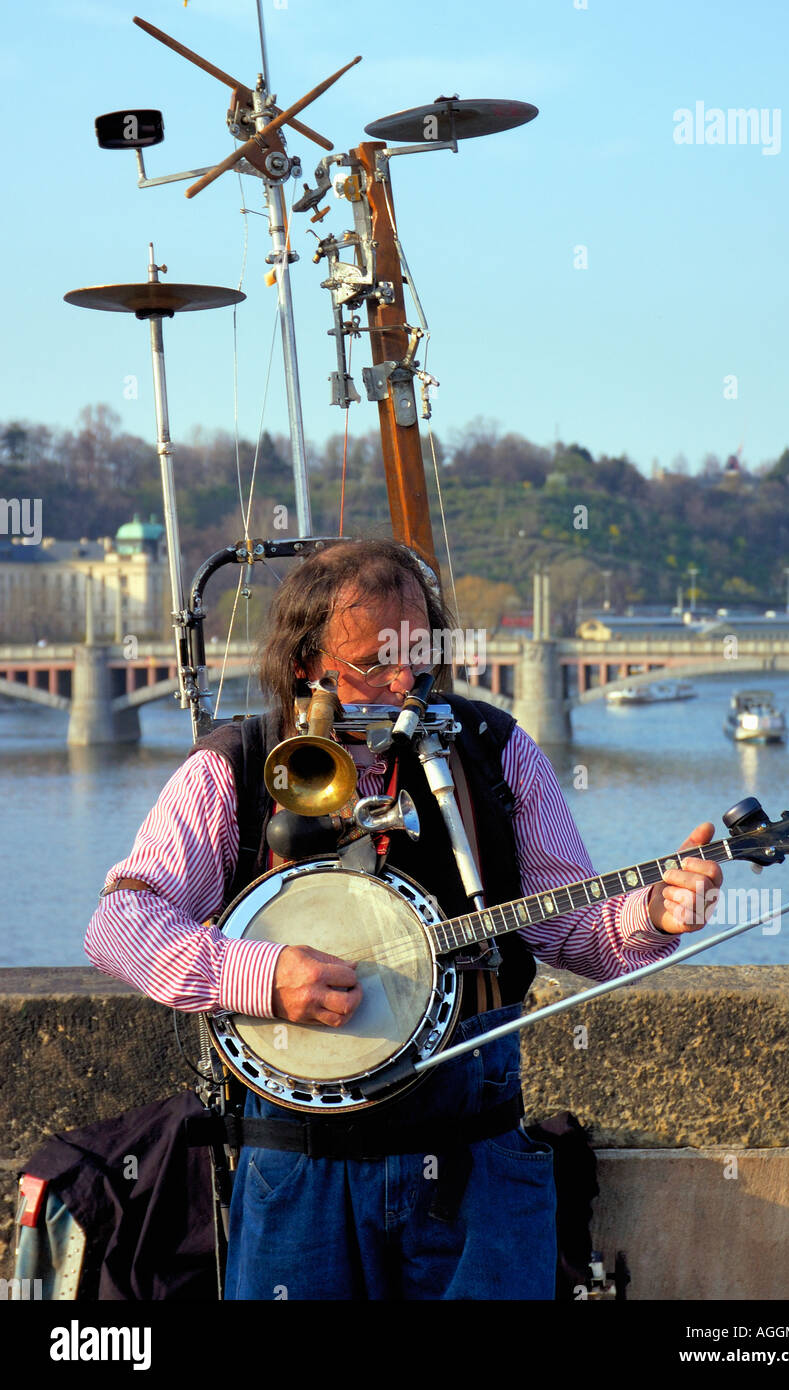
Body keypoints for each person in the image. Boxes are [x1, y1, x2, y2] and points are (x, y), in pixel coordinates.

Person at [85, 538, 723, 1300]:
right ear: (304, 663)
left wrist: (656, 912)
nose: (403, 683)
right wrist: (259, 975)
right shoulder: (238, 763)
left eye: (418, 660)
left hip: (475, 1161)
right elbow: (120, 925)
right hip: (300, 1168)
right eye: (372, 665)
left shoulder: (496, 751)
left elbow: (572, 930)